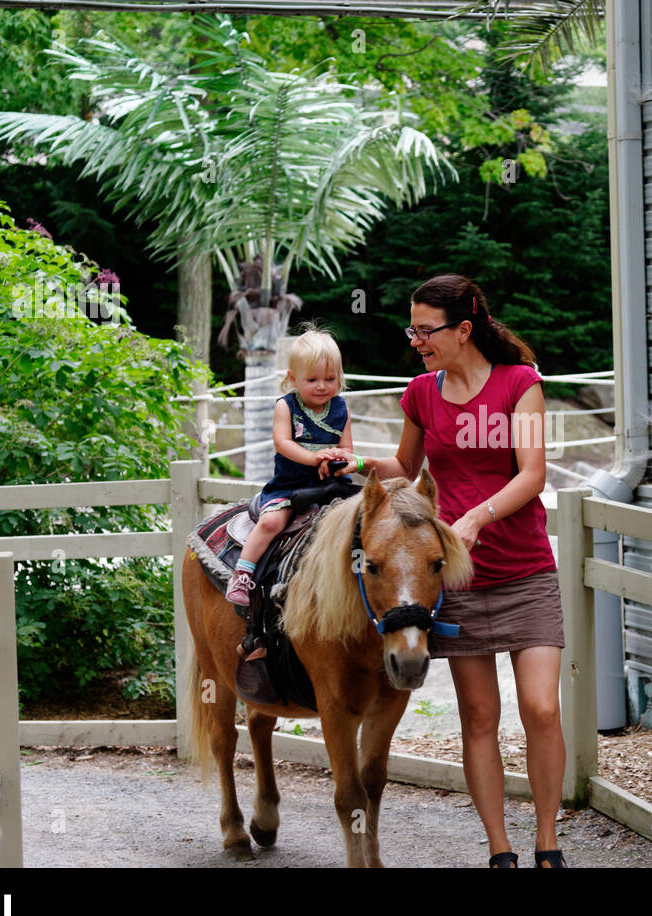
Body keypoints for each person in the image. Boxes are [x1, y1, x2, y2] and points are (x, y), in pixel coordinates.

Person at [352, 274, 568, 868]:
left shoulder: (519, 385)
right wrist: (348, 460)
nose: (416, 341)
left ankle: (547, 842)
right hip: (459, 583)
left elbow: (532, 474)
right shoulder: (420, 394)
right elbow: (402, 464)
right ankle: (501, 850)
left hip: (525, 572)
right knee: (478, 717)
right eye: (412, 330)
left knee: (542, 709)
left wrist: (473, 517)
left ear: (464, 329)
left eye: (427, 330)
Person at [226, 324, 362, 606]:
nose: (322, 386)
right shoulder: (286, 406)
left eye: (330, 378)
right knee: (272, 521)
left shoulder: (341, 408)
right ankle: (243, 572)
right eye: (312, 379)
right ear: (292, 379)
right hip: (291, 486)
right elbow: (282, 443)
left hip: (331, 484)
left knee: (365, 521)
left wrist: (337, 459)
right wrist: (314, 458)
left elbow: (347, 448)